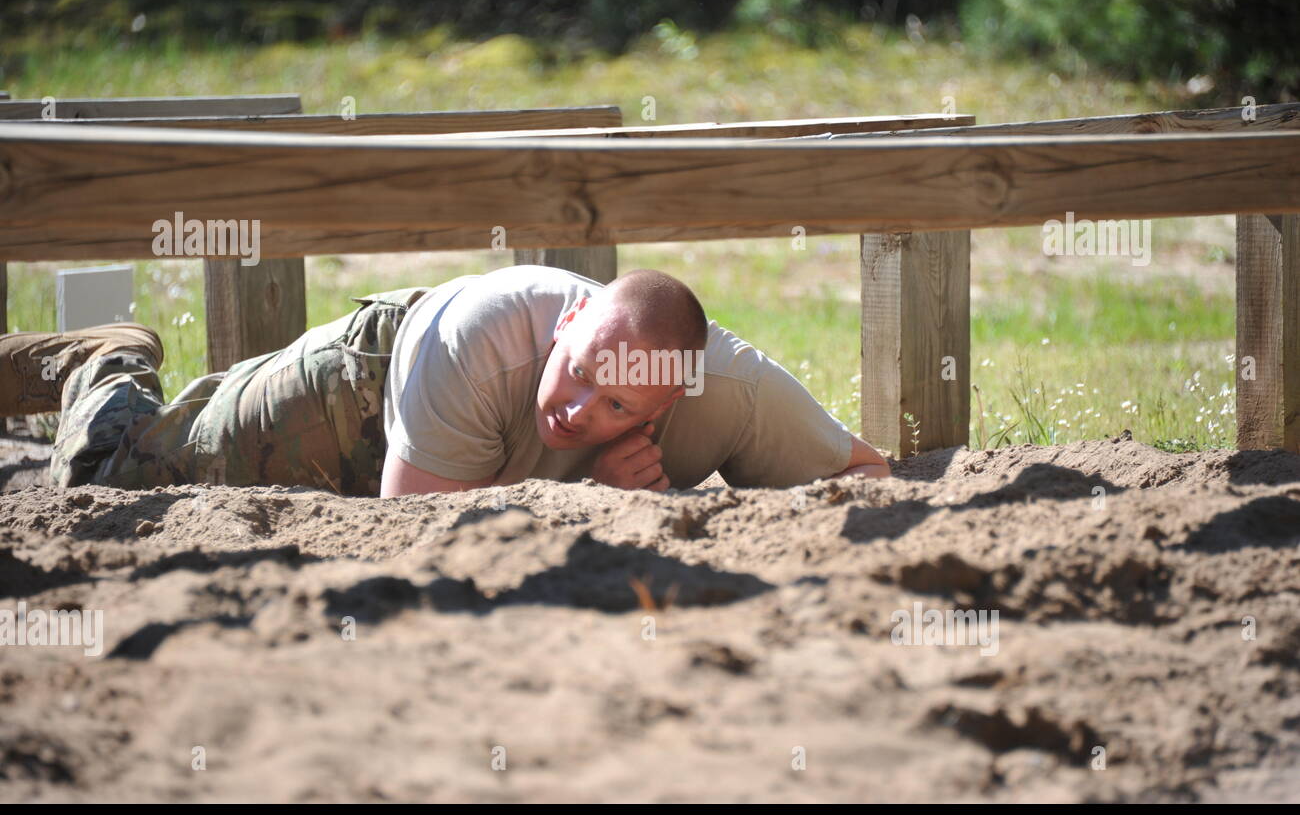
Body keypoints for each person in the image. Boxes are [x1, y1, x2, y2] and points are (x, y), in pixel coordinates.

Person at [0, 265, 889, 494]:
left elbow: (866, 472)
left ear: (671, 398)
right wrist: (605, 505)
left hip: (453, 449)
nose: (575, 410)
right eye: (576, 373)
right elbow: (413, 533)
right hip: (363, 395)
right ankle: (103, 358)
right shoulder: (482, 339)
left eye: (618, 405)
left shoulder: (730, 390)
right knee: (108, 476)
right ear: (572, 320)